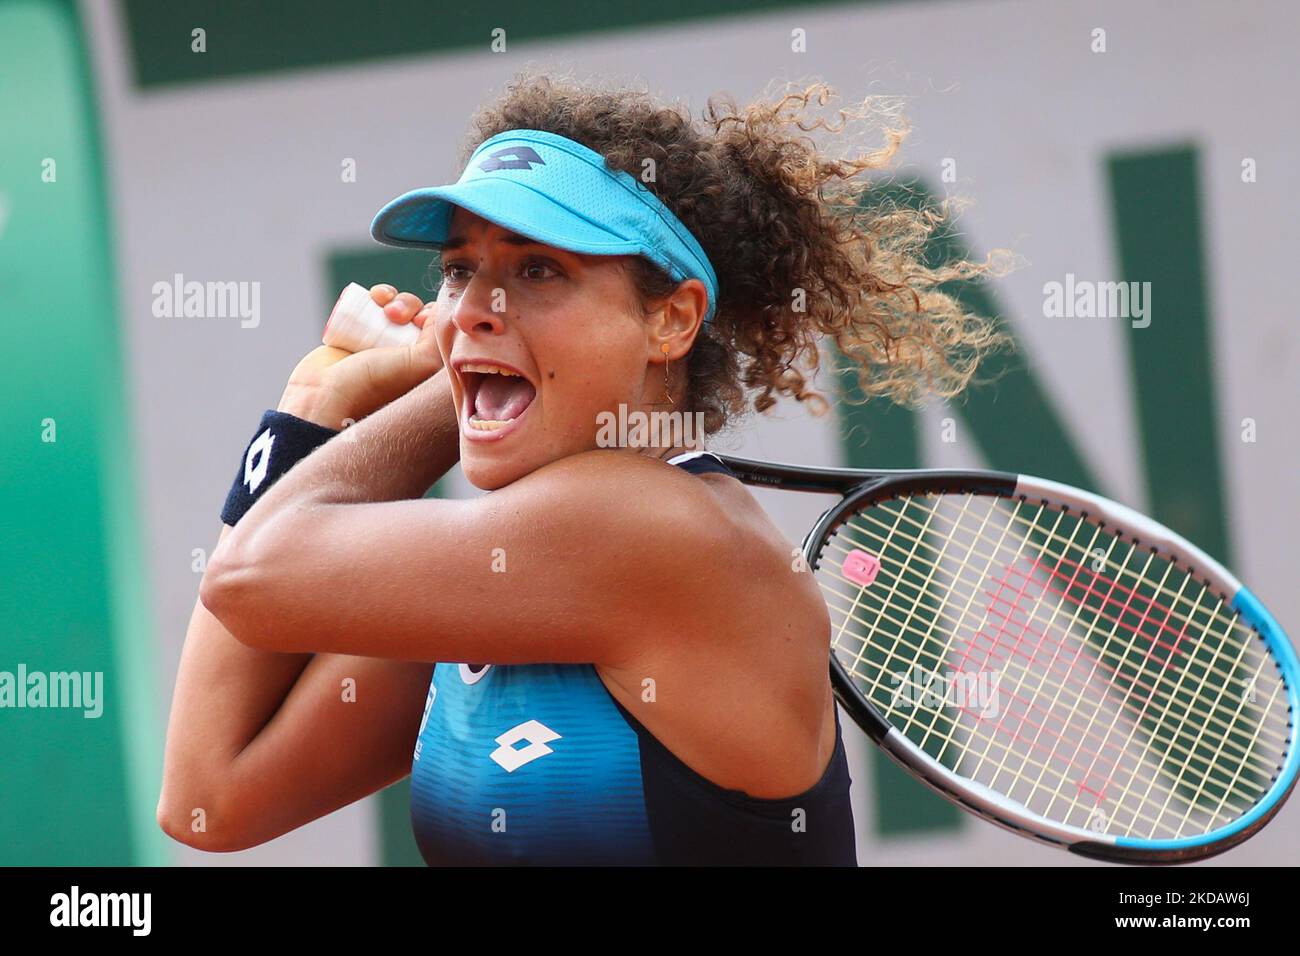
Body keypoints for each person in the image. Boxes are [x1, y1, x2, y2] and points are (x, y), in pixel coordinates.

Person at [157, 72, 1003, 865]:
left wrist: (391, 394)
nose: (476, 308)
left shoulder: (653, 529)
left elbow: (250, 573)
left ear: (672, 321)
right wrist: (321, 397)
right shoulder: (502, 571)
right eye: (460, 270)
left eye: (537, 270)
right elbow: (211, 797)